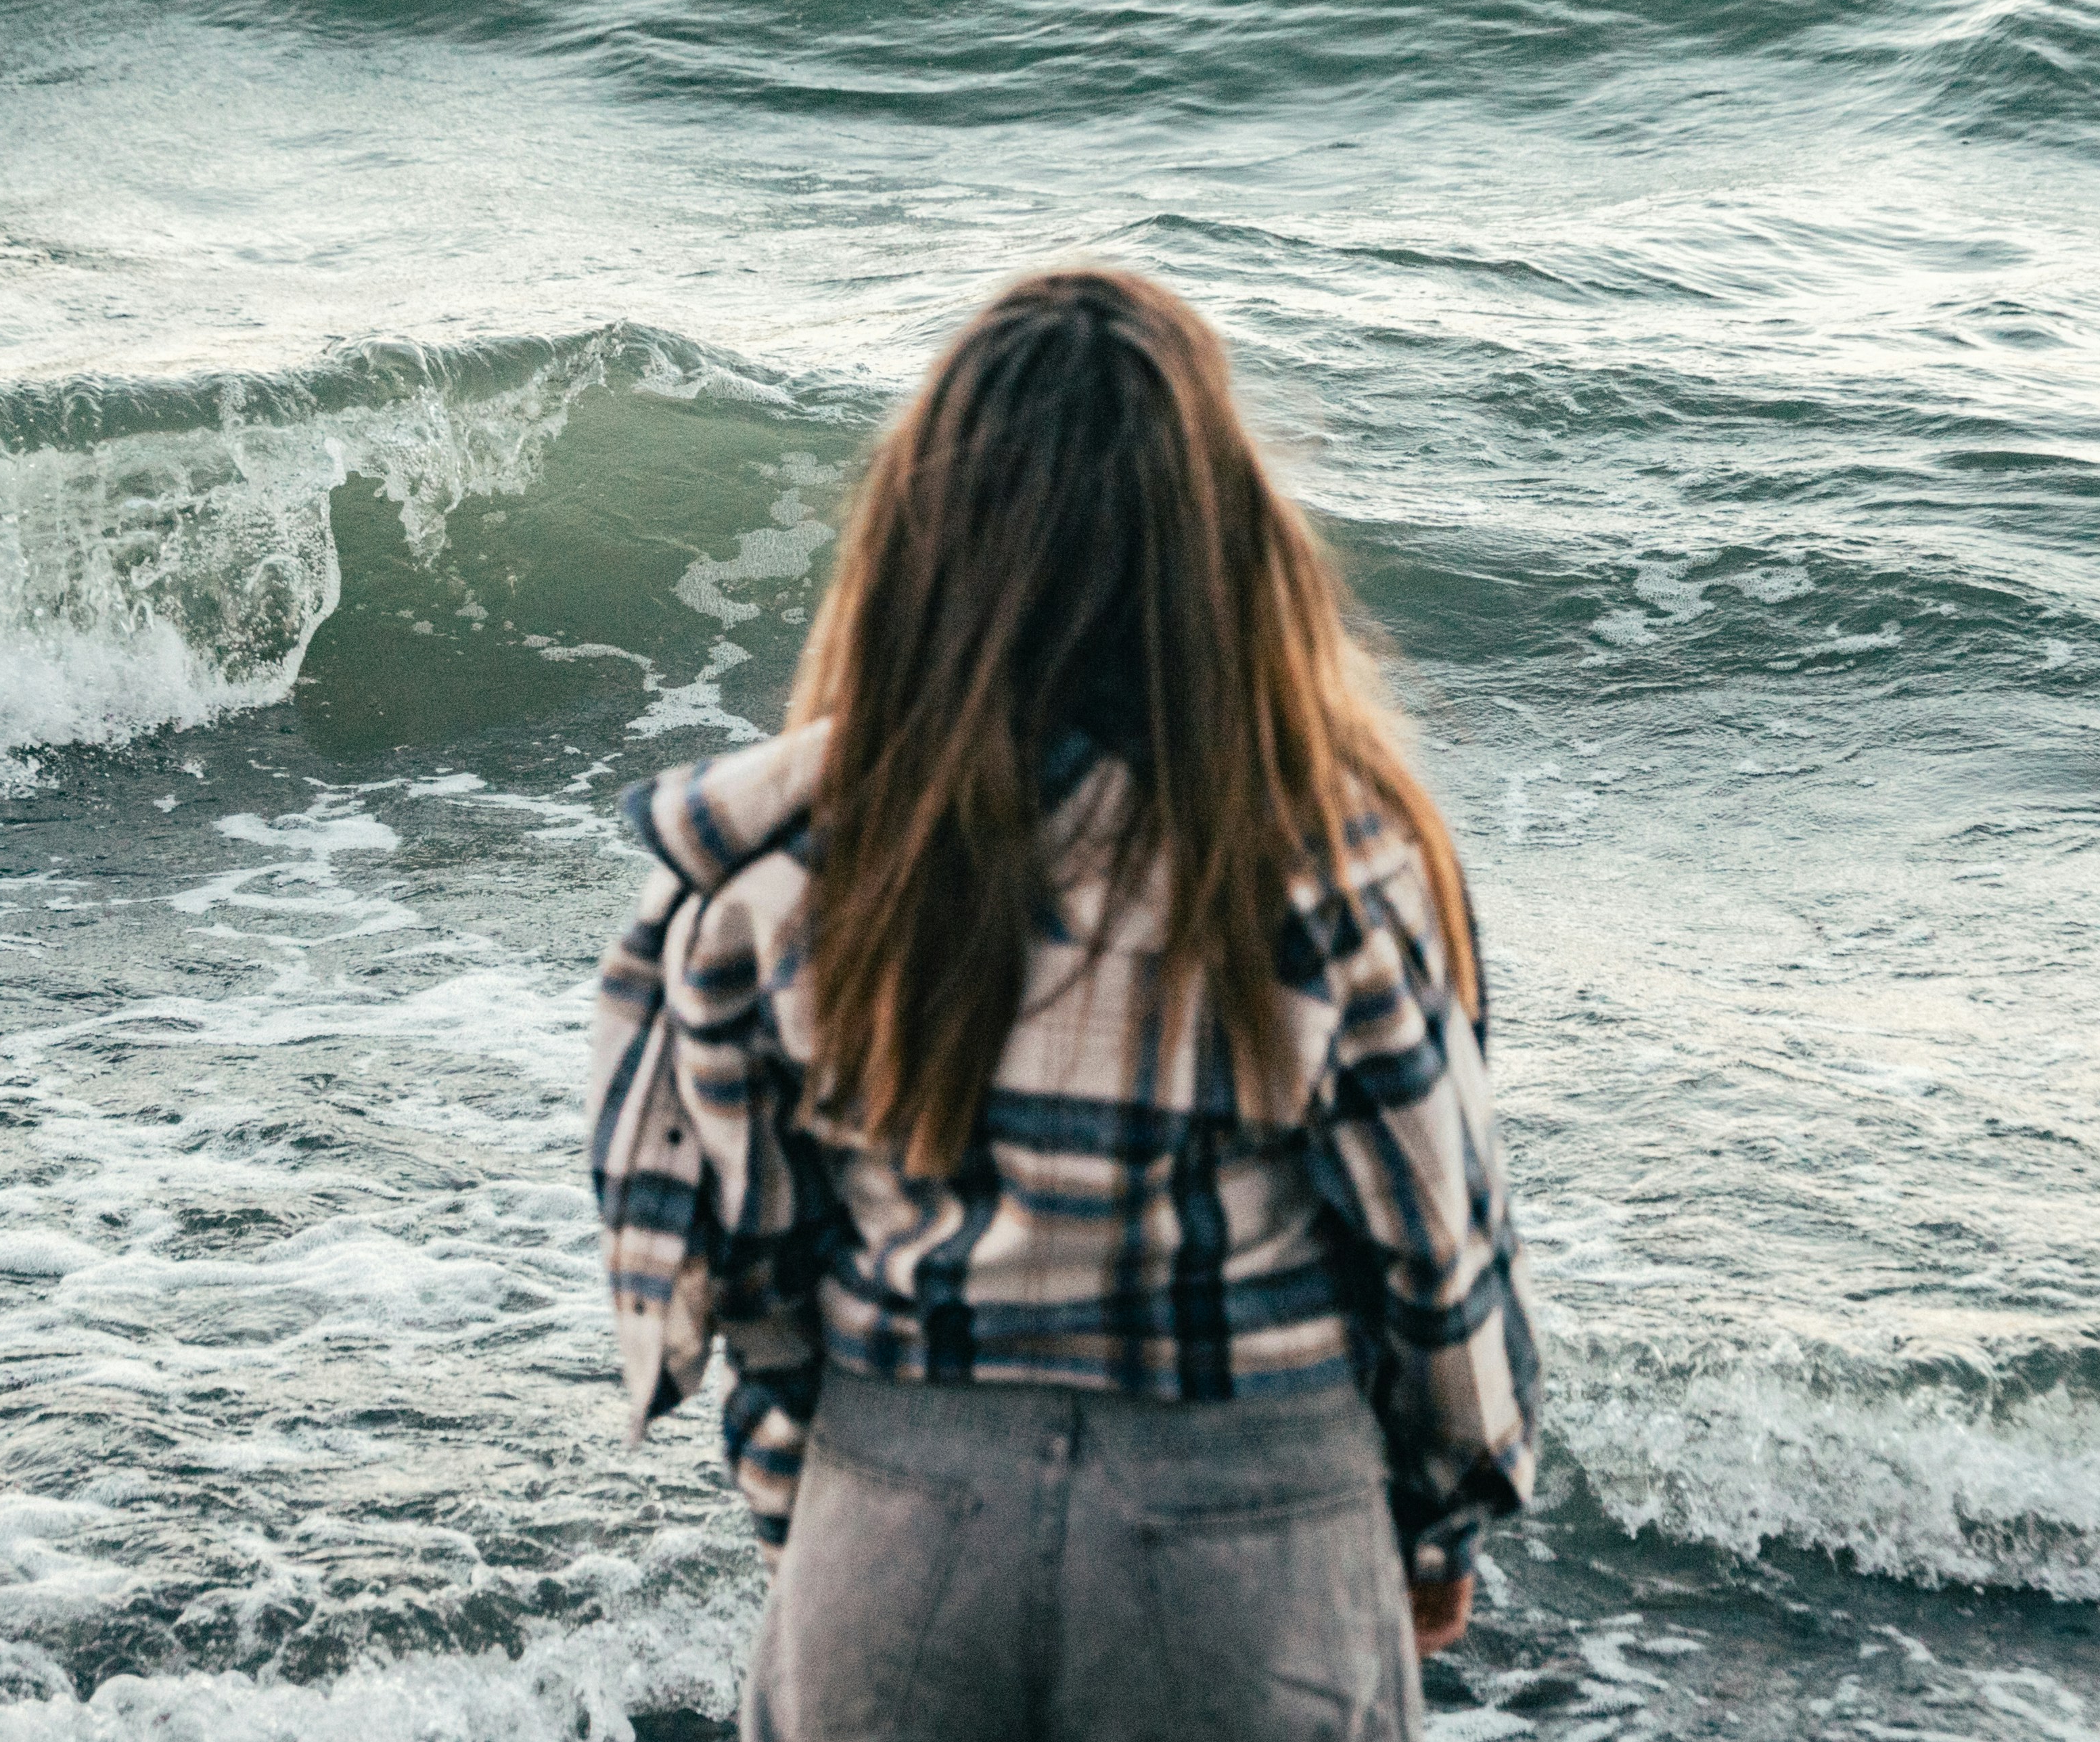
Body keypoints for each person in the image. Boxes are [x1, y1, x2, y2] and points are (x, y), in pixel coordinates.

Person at [589, 267, 1536, 1741]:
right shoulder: (1326, 853)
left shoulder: (788, 860)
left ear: (919, 542)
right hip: (1247, 1536)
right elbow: (1434, 1254)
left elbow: (749, 1265)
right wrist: (1434, 1535)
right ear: (1221, 544)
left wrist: (814, 1505)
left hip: (897, 1519)